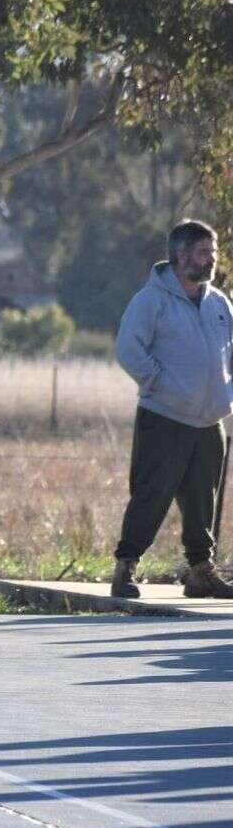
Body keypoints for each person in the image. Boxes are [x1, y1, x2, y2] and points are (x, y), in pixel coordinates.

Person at [110, 219, 233, 599]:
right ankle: (126, 567)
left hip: (209, 422)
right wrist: (161, 384)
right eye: (203, 252)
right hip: (164, 418)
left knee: (203, 501)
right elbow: (129, 350)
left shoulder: (219, 303)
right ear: (181, 255)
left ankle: (200, 572)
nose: (211, 259)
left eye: (212, 252)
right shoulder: (151, 300)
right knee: (151, 495)